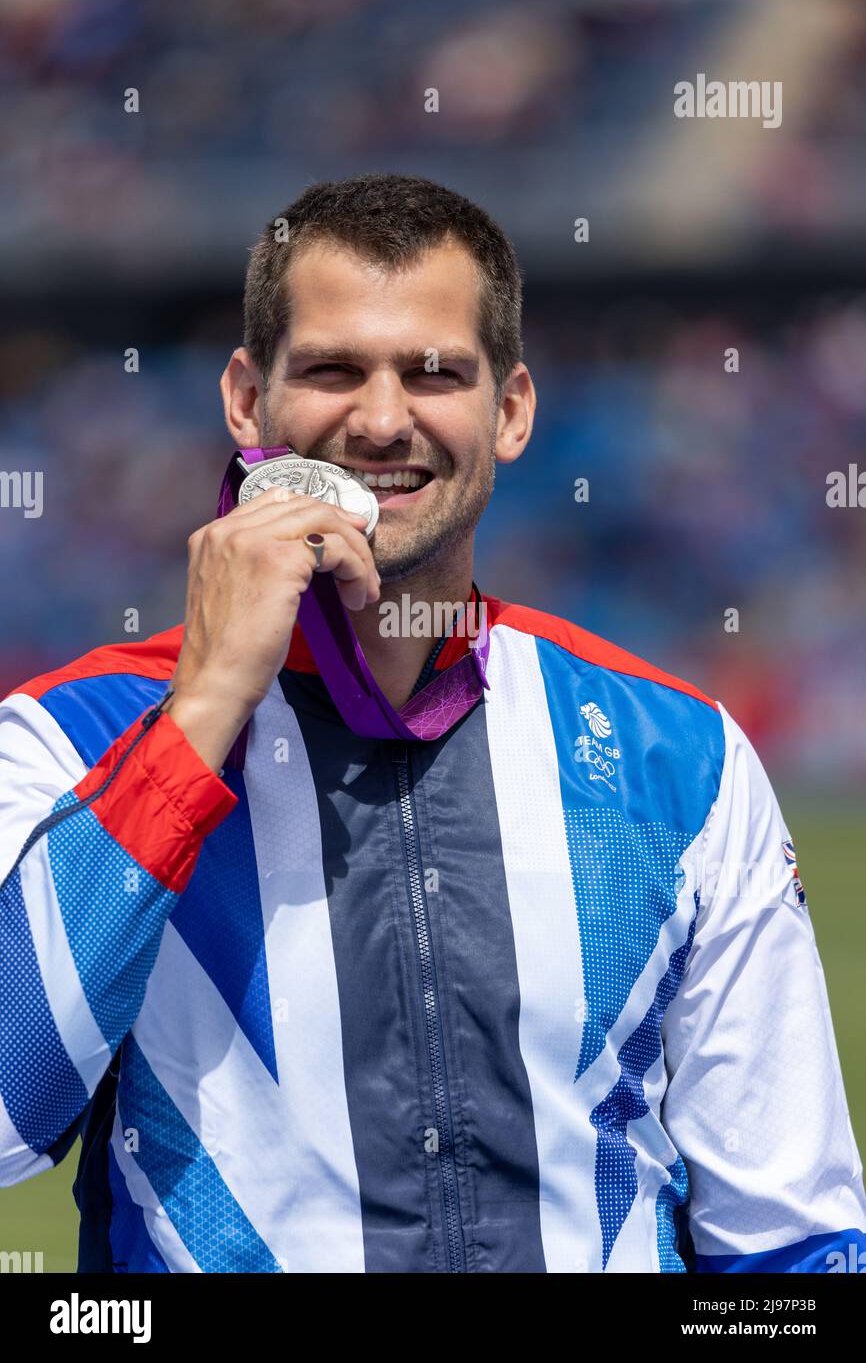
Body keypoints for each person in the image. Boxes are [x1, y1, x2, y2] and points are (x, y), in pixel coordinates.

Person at [1, 173, 864, 1275]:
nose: (378, 418)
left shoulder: (677, 756)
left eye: (432, 373)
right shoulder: (71, 735)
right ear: (242, 400)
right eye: (328, 369)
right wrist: (204, 707)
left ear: (509, 411)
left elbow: (789, 1241)